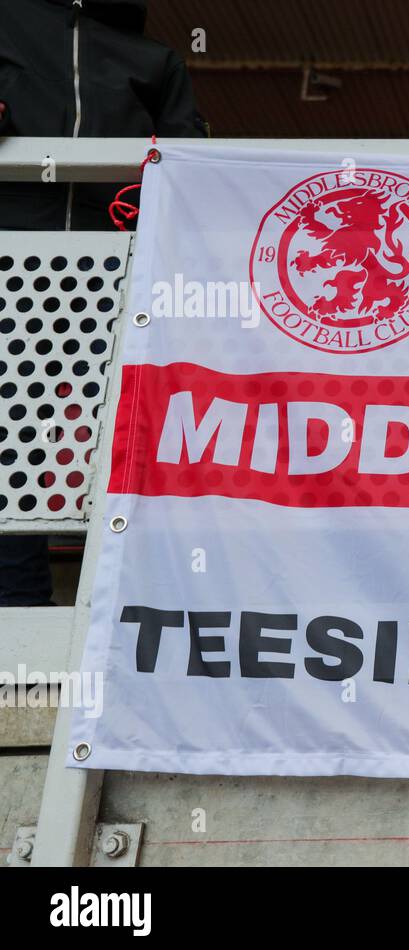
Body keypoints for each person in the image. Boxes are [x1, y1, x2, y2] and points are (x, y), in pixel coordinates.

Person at [0, 0, 207, 607]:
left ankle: (120, 628)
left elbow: (188, 158)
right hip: (12, 265)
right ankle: (21, 626)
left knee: (130, 458)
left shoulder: (154, 58)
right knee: (11, 455)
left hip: (110, 279)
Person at [0, 0, 209, 231]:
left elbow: (190, 171)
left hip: (118, 250)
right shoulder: (7, 23)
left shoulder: (160, 61)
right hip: (10, 241)